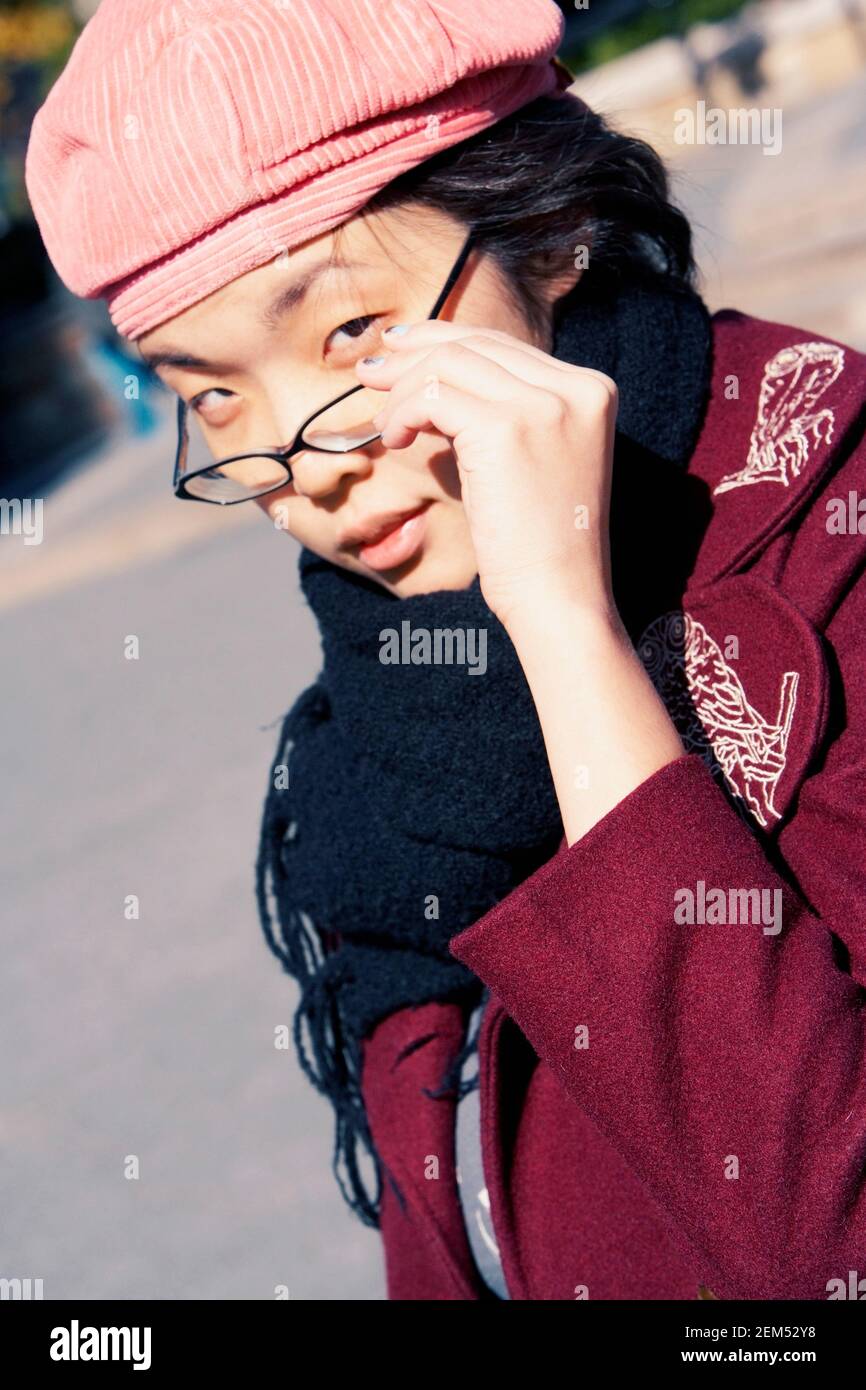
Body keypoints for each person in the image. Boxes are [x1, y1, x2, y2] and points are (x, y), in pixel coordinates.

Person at [26, 0, 866, 1301]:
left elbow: (826, 1247)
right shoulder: (373, 741)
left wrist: (565, 627)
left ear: (548, 226)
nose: (306, 459)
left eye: (350, 334)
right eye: (215, 392)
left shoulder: (819, 534)